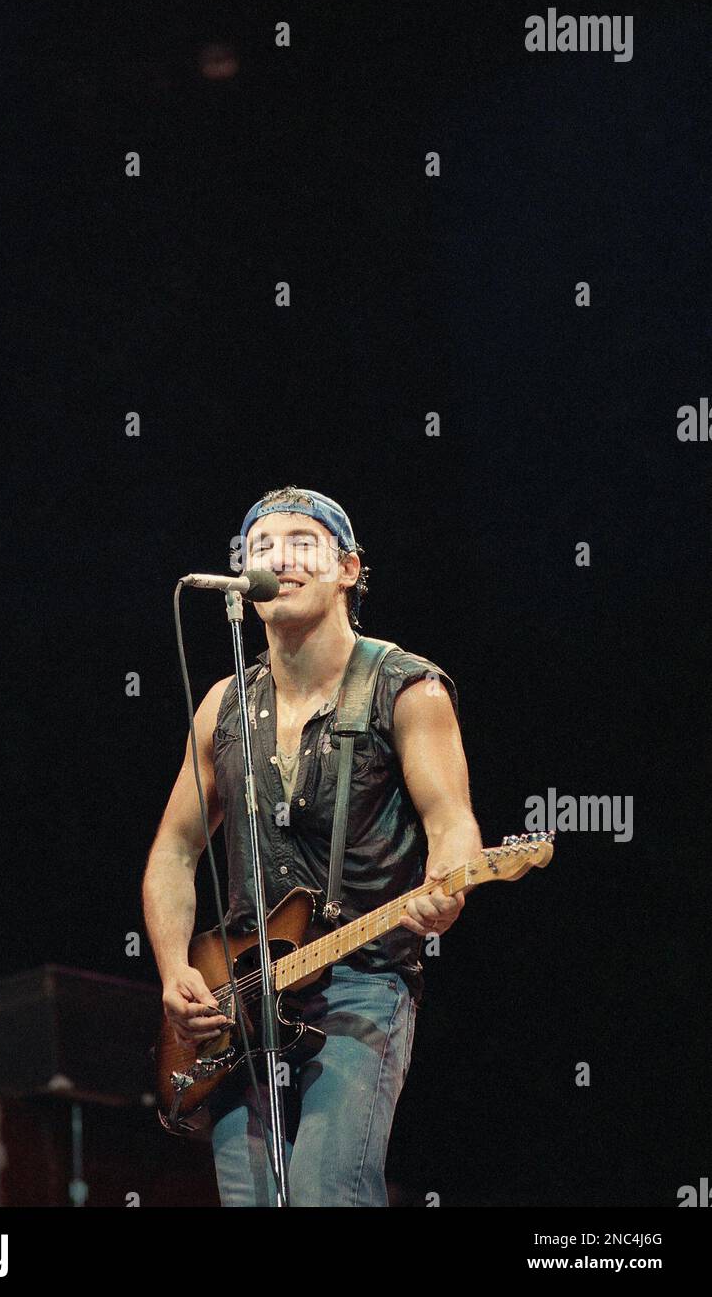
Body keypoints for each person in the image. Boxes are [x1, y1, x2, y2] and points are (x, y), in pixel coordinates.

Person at [142, 485, 482, 1206]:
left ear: (348, 569)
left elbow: (451, 820)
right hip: (241, 995)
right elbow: (174, 852)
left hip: (360, 976)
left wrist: (447, 884)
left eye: (302, 542)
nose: (277, 557)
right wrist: (175, 970)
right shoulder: (224, 704)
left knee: (332, 1191)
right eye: (260, 546)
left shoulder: (405, 688)